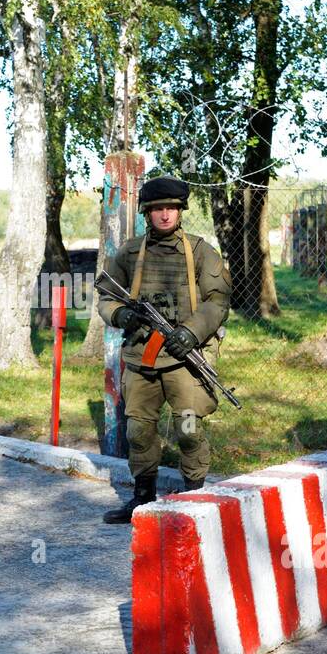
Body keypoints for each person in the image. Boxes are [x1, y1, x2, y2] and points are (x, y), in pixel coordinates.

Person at [96, 175, 232, 524]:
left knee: (188, 429)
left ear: (180, 210)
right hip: (141, 357)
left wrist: (191, 331)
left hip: (185, 358)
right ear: (146, 212)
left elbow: (218, 300)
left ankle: (194, 499)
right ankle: (142, 499)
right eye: (158, 209)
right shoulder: (129, 253)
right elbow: (107, 297)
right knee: (138, 431)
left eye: (171, 208)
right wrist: (121, 314)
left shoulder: (200, 252)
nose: (166, 214)